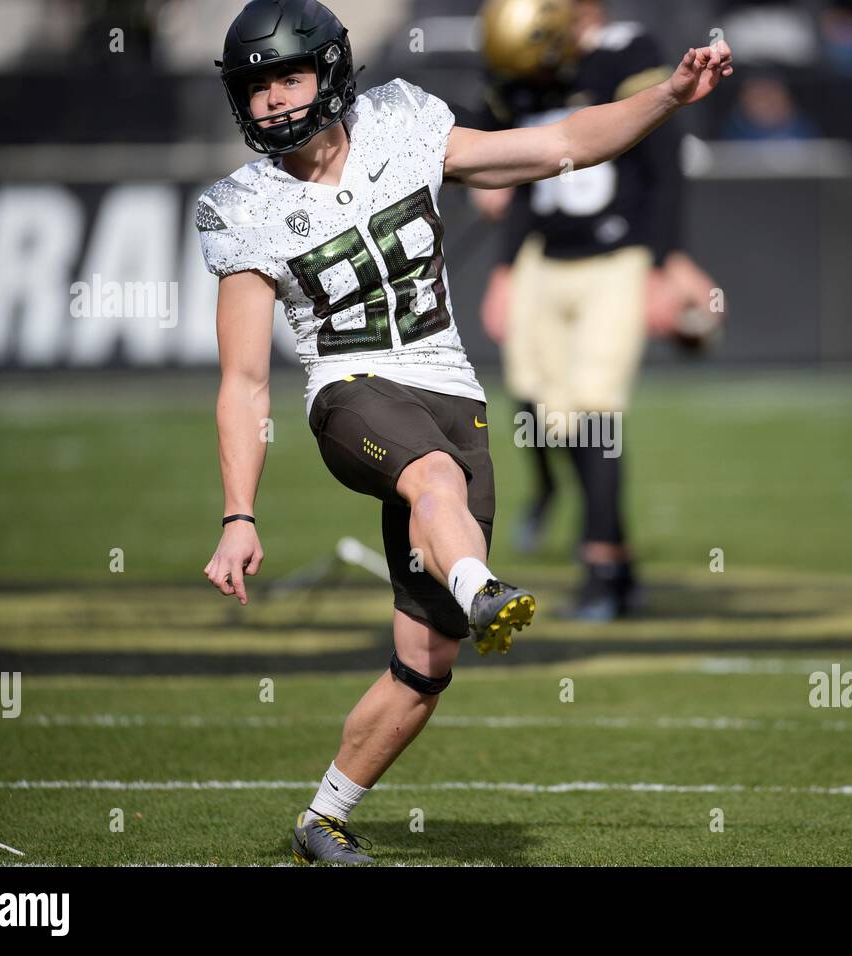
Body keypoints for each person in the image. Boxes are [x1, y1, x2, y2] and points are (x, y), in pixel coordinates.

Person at [197, 0, 732, 864]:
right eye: (255, 89)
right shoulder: (243, 206)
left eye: (287, 78)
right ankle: (486, 588)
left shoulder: (405, 122)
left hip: (449, 386)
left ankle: (322, 817)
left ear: (330, 71)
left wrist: (668, 96)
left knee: (425, 662)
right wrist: (238, 513)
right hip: (349, 390)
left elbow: (564, 144)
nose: (271, 104)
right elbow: (244, 380)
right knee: (433, 478)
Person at [475, 0, 721, 619]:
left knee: (594, 415)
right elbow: (507, 170)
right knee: (536, 403)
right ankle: (592, 535)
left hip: (616, 255)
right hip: (545, 256)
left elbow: (664, 159)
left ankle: (603, 564)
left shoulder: (627, 54)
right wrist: (504, 266)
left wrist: (671, 260)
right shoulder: (525, 66)